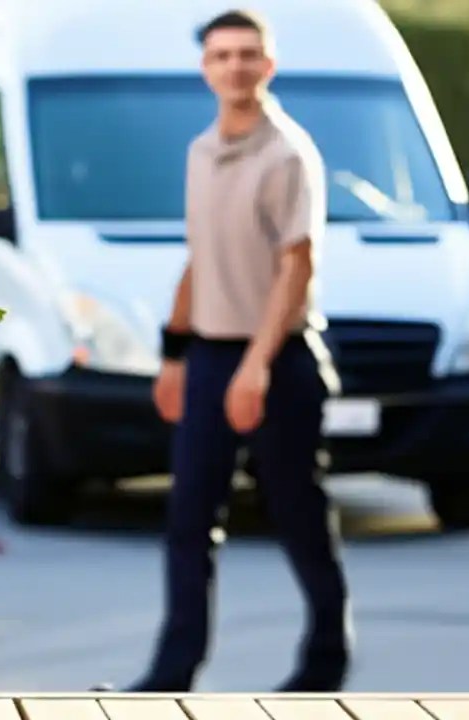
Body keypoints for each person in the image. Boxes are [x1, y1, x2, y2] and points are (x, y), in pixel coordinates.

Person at [121, 9, 354, 693]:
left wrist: (255, 367)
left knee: (297, 515)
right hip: (210, 358)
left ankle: (323, 666)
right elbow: (203, 258)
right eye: (222, 56)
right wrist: (173, 354)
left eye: (248, 55)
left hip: (278, 360)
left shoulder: (288, 154)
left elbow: (297, 265)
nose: (235, 66)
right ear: (206, 69)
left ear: (269, 65)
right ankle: (171, 675)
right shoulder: (201, 151)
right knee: (188, 516)